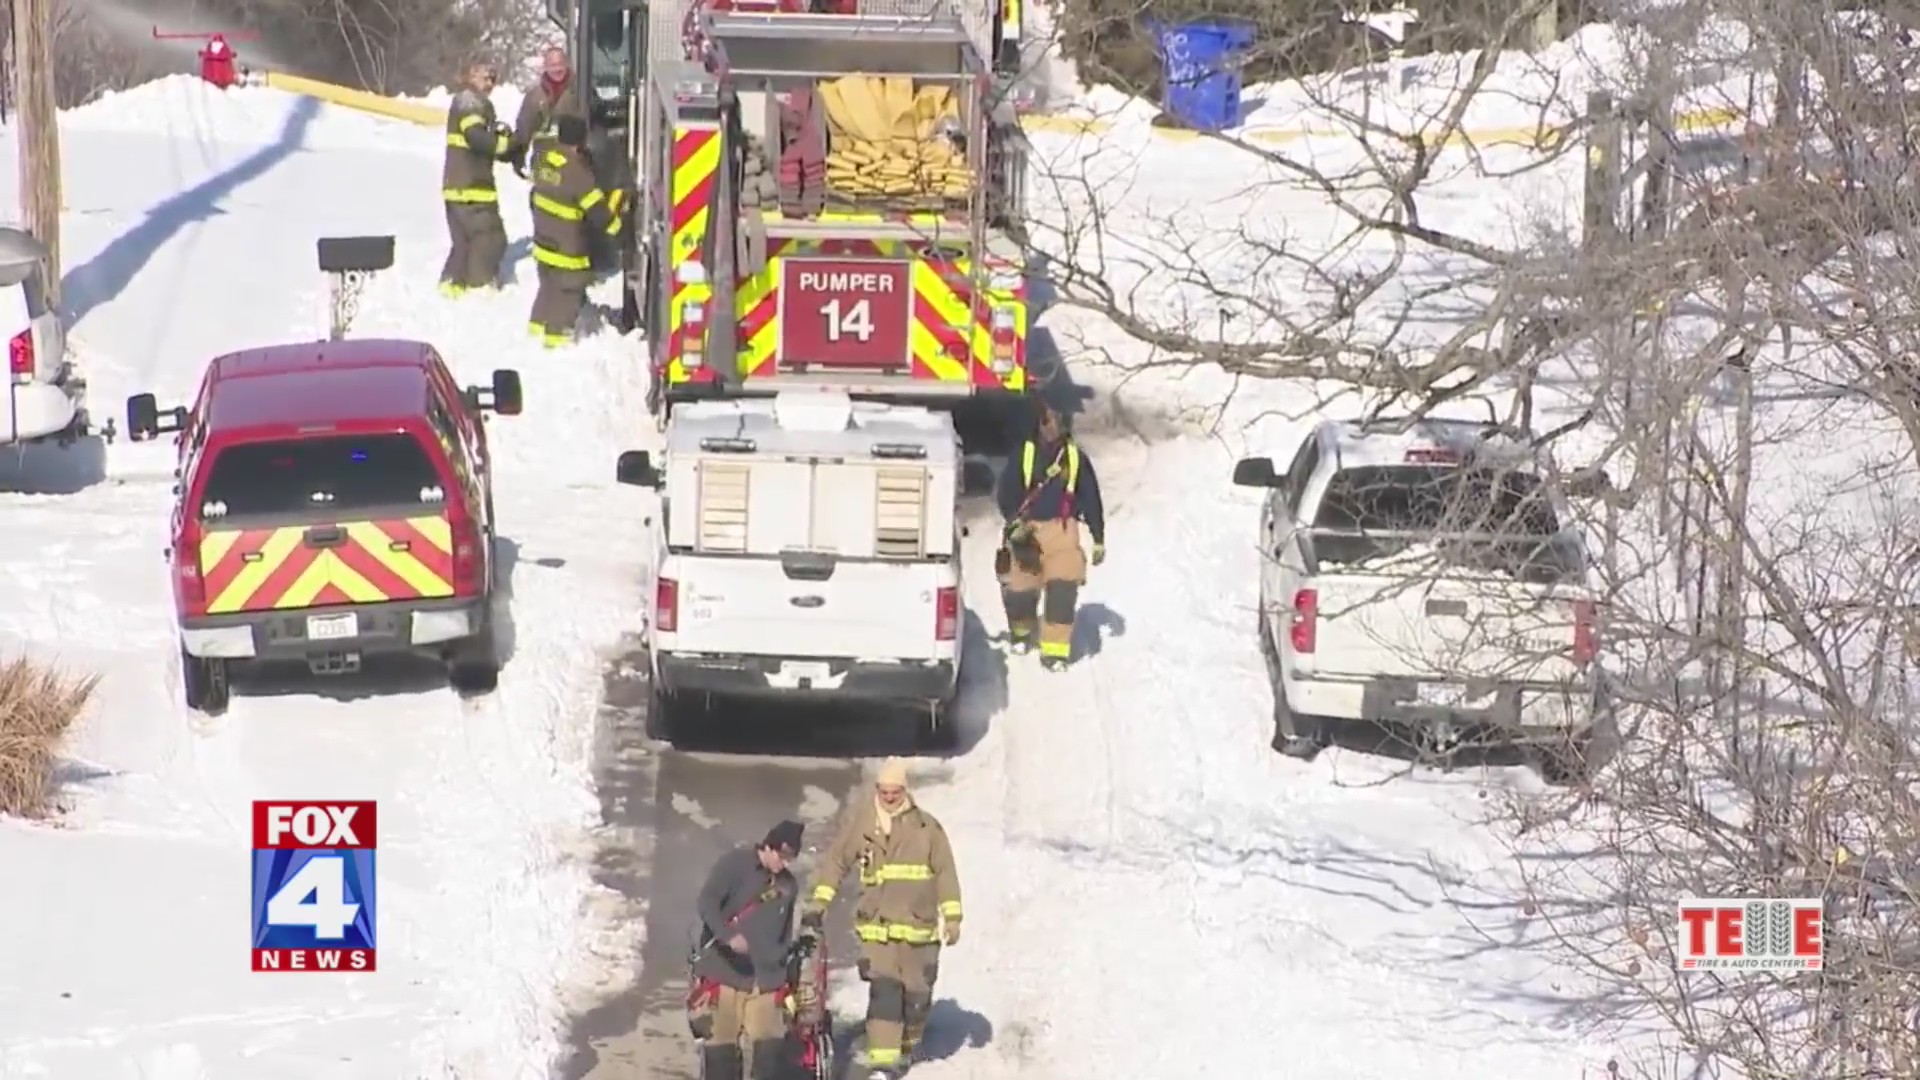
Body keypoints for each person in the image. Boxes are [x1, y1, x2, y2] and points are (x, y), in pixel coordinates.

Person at [801, 758, 961, 1078]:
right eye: (884, 792)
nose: (889, 798)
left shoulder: (927, 829)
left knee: (917, 996)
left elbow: (946, 873)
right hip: (877, 931)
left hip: (919, 930)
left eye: (895, 792)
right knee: (885, 991)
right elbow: (836, 863)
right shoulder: (863, 825)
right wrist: (818, 903)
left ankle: (907, 1045)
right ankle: (884, 1064)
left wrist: (953, 916)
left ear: (905, 790)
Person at [994, 399, 1106, 671]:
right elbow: (1006, 493)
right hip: (1027, 529)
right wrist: (1014, 521)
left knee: (1062, 591)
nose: (1052, 427)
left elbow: (1090, 497)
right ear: (1039, 424)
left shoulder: (1076, 458)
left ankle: (1054, 652)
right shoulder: (1024, 453)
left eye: (1058, 421)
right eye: (1047, 421)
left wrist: (1098, 536)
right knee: (1020, 587)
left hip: (1063, 530)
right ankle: (1021, 634)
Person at [689, 820, 804, 1080]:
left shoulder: (788, 886)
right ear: (768, 846)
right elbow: (707, 902)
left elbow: (784, 934)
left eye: (790, 859)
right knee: (721, 1054)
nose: (784, 864)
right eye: (782, 856)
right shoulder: (734, 864)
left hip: (765, 980)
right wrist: (727, 936)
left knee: (770, 1055)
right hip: (724, 972)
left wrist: (784, 971)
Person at [527, 114, 625, 347]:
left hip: (544, 243)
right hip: (567, 249)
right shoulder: (578, 173)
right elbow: (598, 212)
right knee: (567, 295)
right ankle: (556, 343)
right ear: (580, 142)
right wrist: (618, 230)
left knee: (548, 289)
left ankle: (535, 332)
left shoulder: (543, 158)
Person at [439, 60, 514, 298]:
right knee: (491, 239)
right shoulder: (470, 102)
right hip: (472, 189)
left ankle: (451, 288)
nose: (491, 82)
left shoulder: (469, 102)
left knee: (463, 244)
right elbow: (476, 138)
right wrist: (505, 145)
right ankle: (478, 288)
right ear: (471, 76)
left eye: (494, 78)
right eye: (486, 77)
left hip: (458, 188)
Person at [510, 45, 587, 178]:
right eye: (552, 65)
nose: (557, 69)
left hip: (576, 160)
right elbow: (524, 128)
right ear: (545, 67)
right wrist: (518, 156)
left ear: (567, 64)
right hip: (544, 162)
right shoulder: (534, 97)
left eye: (560, 64)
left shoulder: (582, 91)